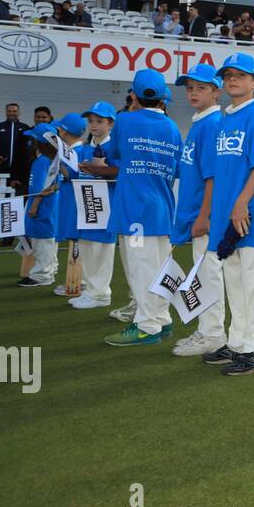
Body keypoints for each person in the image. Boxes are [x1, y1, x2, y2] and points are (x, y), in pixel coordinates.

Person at [202, 53, 254, 376]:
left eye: (240, 75)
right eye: (228, 74)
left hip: (249, 213)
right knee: (234, 282)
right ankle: (240, 342)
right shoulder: (223, 119)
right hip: (226, 215)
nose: (232, 79)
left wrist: (242, 202)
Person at [102, 71, 183, 348]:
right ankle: (161, 318)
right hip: (161, 208)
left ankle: (147, 324)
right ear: (163, 98)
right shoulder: (172, 128)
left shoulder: (125, 120)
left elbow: (113, 155)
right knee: (159, 268)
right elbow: (177, 167)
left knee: (141, 269)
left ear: (134, 96)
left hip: (135, 209)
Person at [168, 64, 227, 358]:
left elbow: (213, 177)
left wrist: (203, 216)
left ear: (216, 92)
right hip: (196, 213)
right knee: (203, 274)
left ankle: (213, 334)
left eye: (201, 87)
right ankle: (208, 330)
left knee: (208, 274)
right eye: (190, 87)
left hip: (205, 217)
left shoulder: (212, 123)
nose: (193, 93)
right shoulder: (200, 122)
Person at [71, 102, 121, 312]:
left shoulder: (113, 147)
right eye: (91, 121)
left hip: (105, 205)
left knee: (101, 250)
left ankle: (101, 293)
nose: (94, 125)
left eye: (99, 121)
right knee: (86, 247)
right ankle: (90, 289)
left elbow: (118, 171)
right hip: (86, 203)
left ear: (111, 124)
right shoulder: (84, 148)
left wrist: (97, 170)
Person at [48, 113, 88, 299]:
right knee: (76, 242)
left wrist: (60, 164)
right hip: (70, 199)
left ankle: (77, 282)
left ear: (65, 131)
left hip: (75, 202)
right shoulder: (73, 150)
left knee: (77, 242)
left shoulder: (75, 152)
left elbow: (71, 175)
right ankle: (79, 280)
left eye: (60, 130)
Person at [19, 125, 60, 288]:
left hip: (42, 206)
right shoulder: (54, 160)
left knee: (42, 242)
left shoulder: (42, 161)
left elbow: (40, 187)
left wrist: (34, 205)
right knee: (47, 241)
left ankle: (42, 275)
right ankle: (49, 270)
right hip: (50, 205)